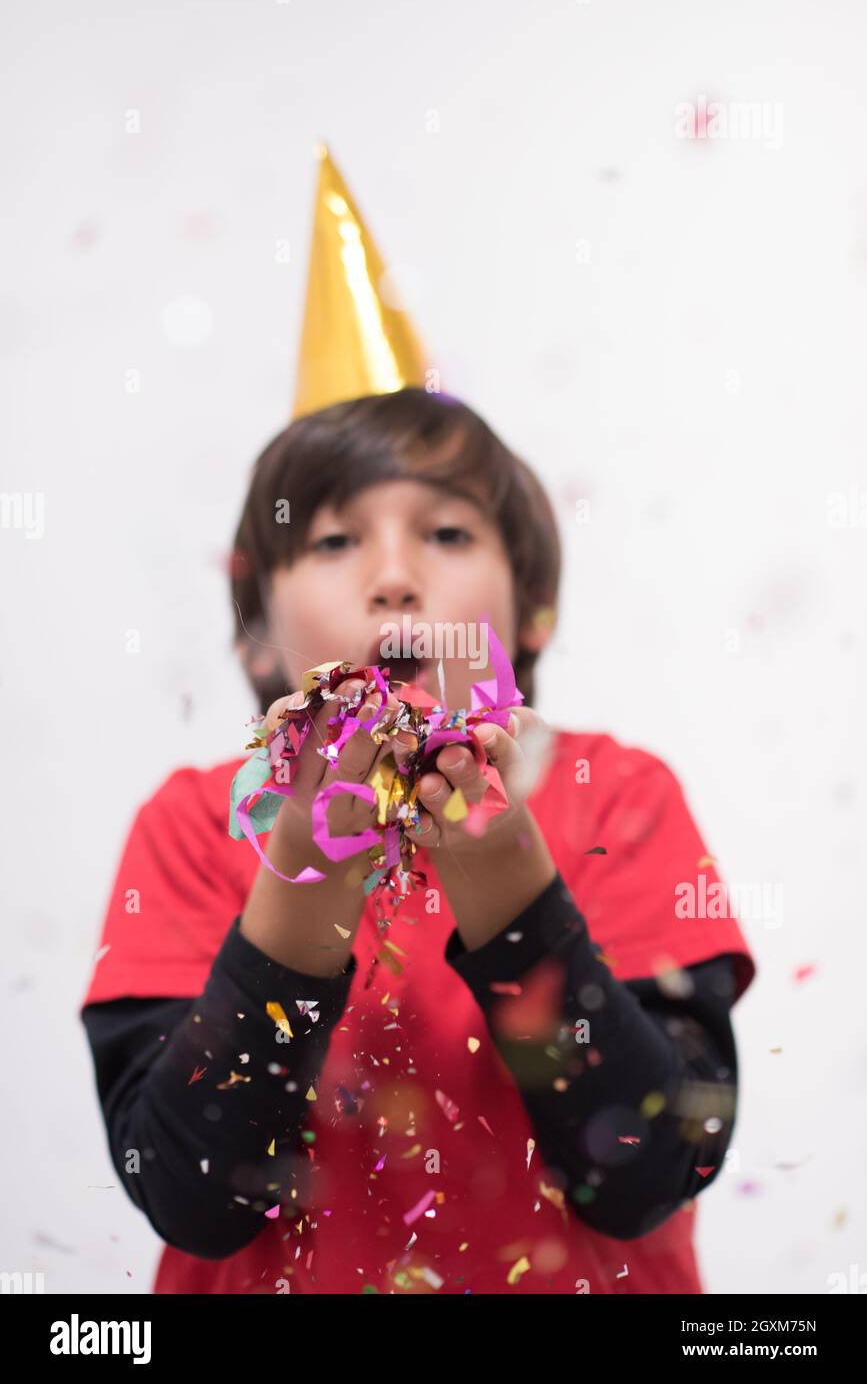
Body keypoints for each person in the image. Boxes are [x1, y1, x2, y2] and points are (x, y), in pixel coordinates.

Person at [79, 387, 756, 1294]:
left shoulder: (623, 799)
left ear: (531, 614)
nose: (394, 578)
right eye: (332, 540)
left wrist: (498, 868)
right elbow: (191, 1198)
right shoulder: (193, 827)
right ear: (255, 640)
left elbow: (642, 1174)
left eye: (446, 534)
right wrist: (307, 874)